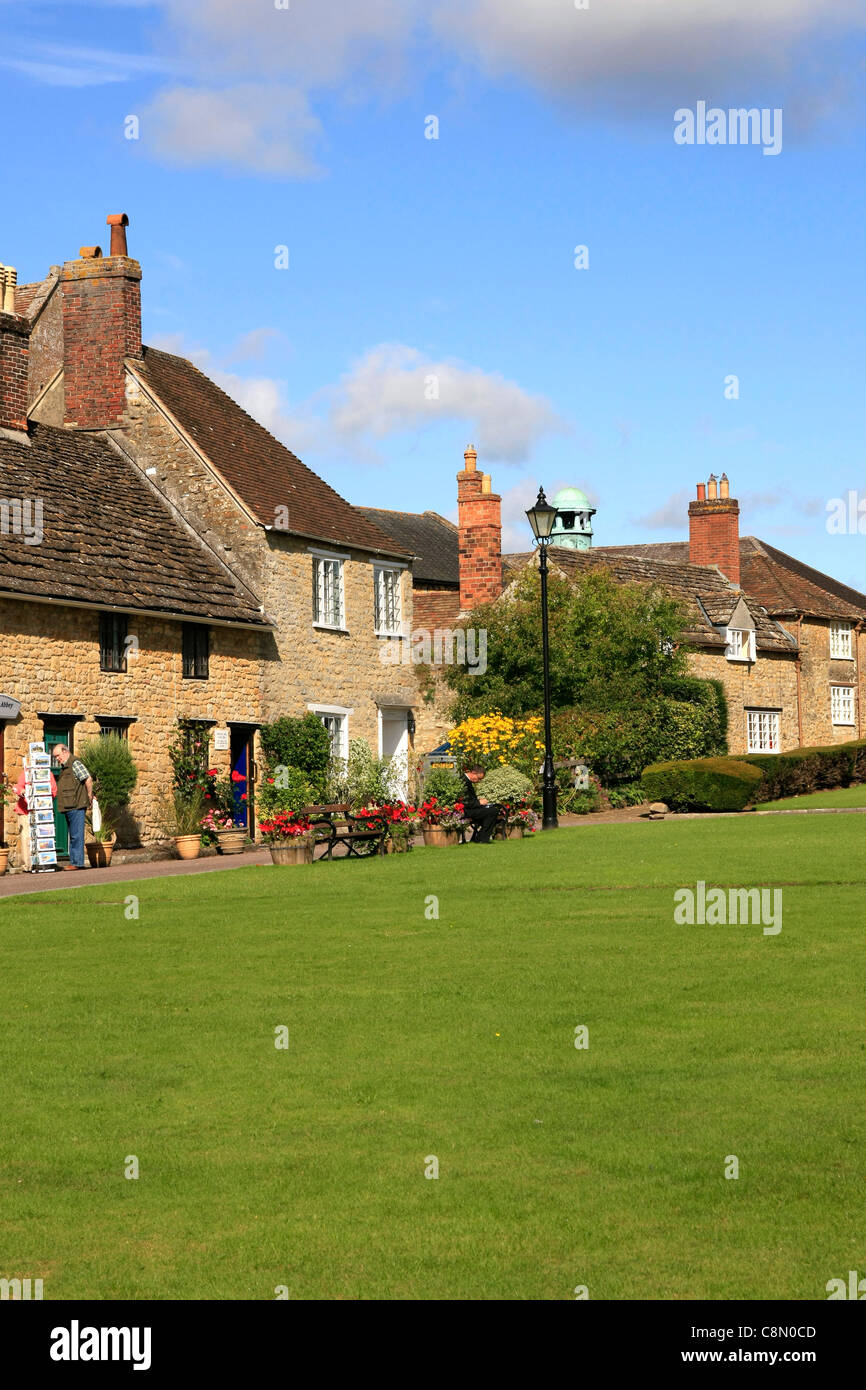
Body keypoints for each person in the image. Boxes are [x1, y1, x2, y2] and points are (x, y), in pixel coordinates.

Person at [52, 745, 93, 871]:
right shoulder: (65, 767)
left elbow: (88, 779)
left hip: (76, 805)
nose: (57, 759)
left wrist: (90, 796)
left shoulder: (75, 763)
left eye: (58, 755)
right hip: (70, 805)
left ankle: (77, 863)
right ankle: (75, 861)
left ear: (65, 751)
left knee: (76, 835)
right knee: (74, 834)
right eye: (55, 757)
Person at [15, 764, 58, 871]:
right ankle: (28, 865)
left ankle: (44, 862)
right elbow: (18, 787)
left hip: (42, 812)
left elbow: (54, 791)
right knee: (26, 838)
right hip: (25, 811)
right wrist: (23, 792)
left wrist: (44, 799)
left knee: (43, 836)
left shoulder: (48, 774)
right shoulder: (26, 773)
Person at [461, 765, 502, 843]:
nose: (479, 781)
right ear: (473, 773)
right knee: (493, 811)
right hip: (466, 810)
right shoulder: (463, 781)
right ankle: (481, 838)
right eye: (479, 778)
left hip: (471, 808)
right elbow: (465, 802)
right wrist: (479, 802)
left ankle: (480, 837)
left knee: (493, 809)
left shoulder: (466, 780)